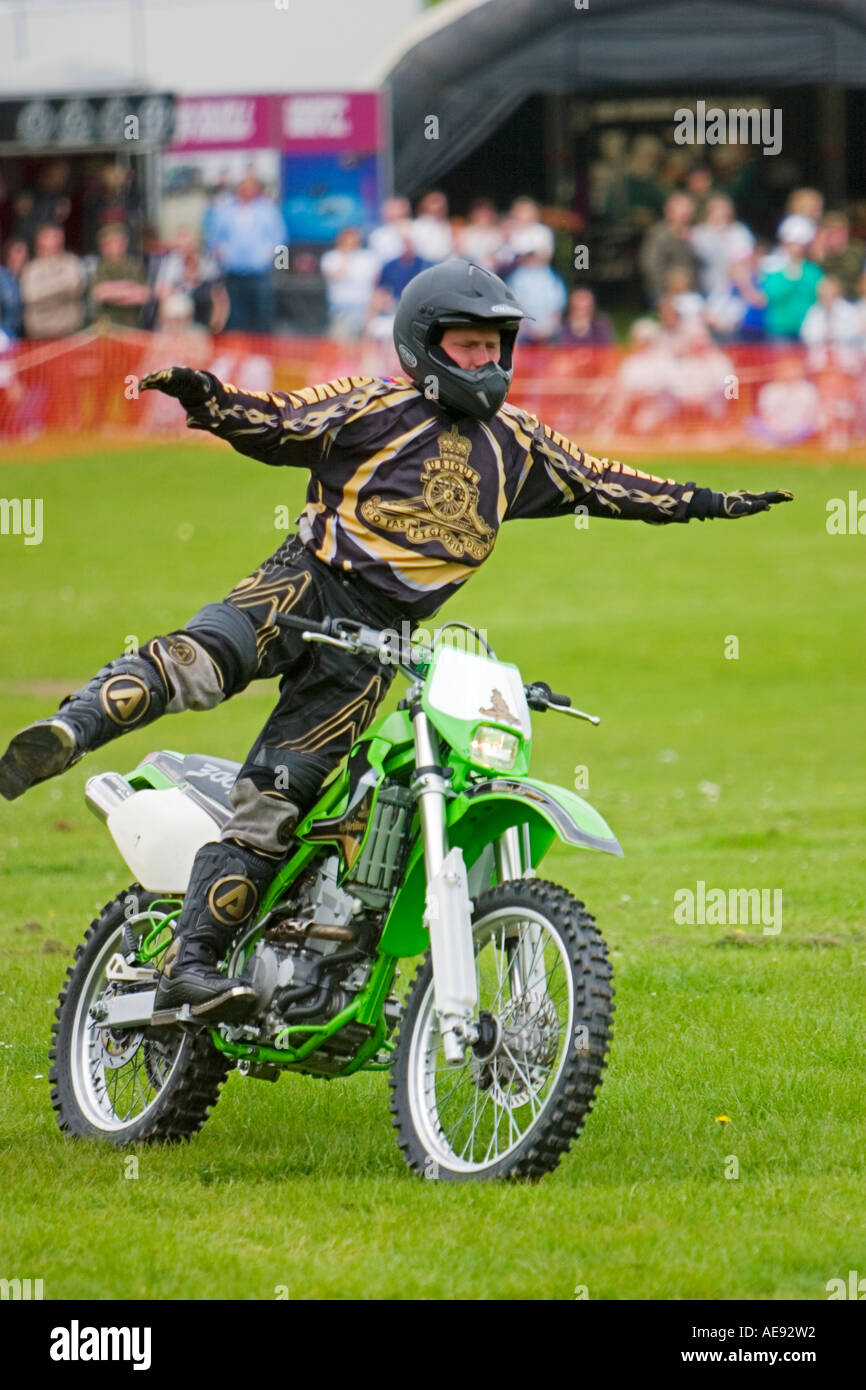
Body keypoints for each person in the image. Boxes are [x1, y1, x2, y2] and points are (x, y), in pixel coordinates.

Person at [0, 259, 793, 1023]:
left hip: (377, 646)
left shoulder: (519, 444)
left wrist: (709, 502)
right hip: (303, 586)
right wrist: (208, 398)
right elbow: (277, 422)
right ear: (423, 342)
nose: (484, 359)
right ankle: (69, 731)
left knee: (272, 808)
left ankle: (195, 968)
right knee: (195, 665)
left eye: (494, 345)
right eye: (467, 344)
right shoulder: (370, 405)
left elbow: (612, 482)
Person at [207, 174, 287, 334]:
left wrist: (279, 267)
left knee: (262, 317)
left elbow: (281, 239)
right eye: (244, 187)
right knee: (235, 319)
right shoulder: (225, 210)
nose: (247, 191)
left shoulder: (269, 210)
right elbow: (212, 238)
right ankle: (238, 355)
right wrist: (220, 255)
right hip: (233, 273)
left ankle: (261, 357)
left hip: (260, 273)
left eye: (251, 187)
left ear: (257, 190)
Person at [19, 224, 85, 339]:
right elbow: (31, 295)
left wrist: (44, 289)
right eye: (48, 236)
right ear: (39, 240)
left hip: (69, 332)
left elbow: (74, 286)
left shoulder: (72, 262)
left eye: (56, 236)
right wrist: (62, 289)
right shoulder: (30, 268)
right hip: (39, 334)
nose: (53, 240)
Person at [639, 192, 700, 304]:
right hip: (664, 290)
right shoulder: (659, 234)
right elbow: (650, 266)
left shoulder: (698, 232)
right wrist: (672, 283)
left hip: (695, 289)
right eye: (682, 208)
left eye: (689, 207)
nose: (687, 211)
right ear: (669, 212)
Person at [320, 227, 380, 340]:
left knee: (363, 341)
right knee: (341, 340)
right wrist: (346, 255)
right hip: (340, 306)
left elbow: (375, 282)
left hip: (364, 305)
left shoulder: (368, 257)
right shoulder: (331, 257)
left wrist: (372, 307)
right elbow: (335, 275)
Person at [90, 224, 151, 329]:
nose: (114, 246)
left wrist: (113, 292)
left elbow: (143, 296)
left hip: (131, 325)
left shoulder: (135, 265)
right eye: (108, 243)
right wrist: (129, 287)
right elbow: (100, 294)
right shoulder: (98, 266)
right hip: (107, 326)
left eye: (118, 242)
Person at [0, 237, 28, 338]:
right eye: (18, 251)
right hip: (5, 333)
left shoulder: (27, 276)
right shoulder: (2, 276)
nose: (23, 255)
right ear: (8, 254)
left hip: (21, 334)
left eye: (25, 252)